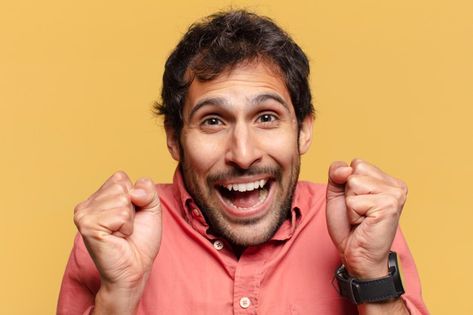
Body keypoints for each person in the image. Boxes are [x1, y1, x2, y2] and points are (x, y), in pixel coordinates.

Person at [57, 10, 428, 315]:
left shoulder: (363, 226)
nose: (244, 154)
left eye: (266, 117)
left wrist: (371, 272)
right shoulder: (116, 238)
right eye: (213, 121)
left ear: (303, 131)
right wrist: (117, 296)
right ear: (174, 138)